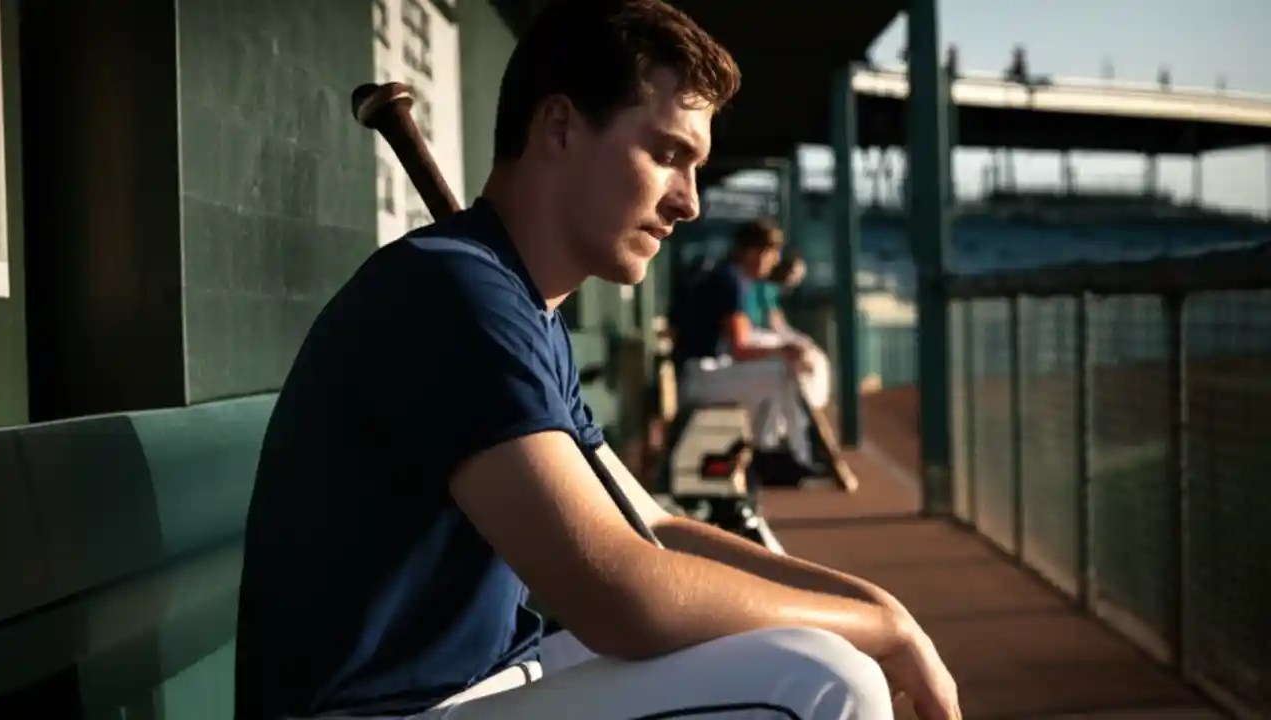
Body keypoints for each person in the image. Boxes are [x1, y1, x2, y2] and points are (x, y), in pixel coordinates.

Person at [235, 2, 960, 719]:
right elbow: (625, 600)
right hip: (384, 710)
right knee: (825, 679)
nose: (690, 204)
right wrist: (887, 635)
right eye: (667, 154)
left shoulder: (518, 304)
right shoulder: (455, 292)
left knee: (817, 637)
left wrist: (876, 607)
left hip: (485, 677)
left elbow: (653, 528)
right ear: (560, 127)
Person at [671, 219, 819, 474]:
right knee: (781, 371)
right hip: (699, 377)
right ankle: (796, 454)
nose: (773, 261)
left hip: (703, 372)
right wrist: (783, 351)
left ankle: (770, 452)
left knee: (775, 376)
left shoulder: (729, 276)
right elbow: (740, 349)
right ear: (752, 251)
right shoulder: (730, 281)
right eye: (770, 253)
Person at [745, 250, 833, 410]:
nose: (795, 280)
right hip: (752, 335)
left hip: (758, 334)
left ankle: (809, 405)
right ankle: (807, 406)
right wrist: (794, 339)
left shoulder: (771, 288)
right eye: (794, 274)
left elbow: (778, 320)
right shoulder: (762, 284)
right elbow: (774, 322)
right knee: (804, 358)